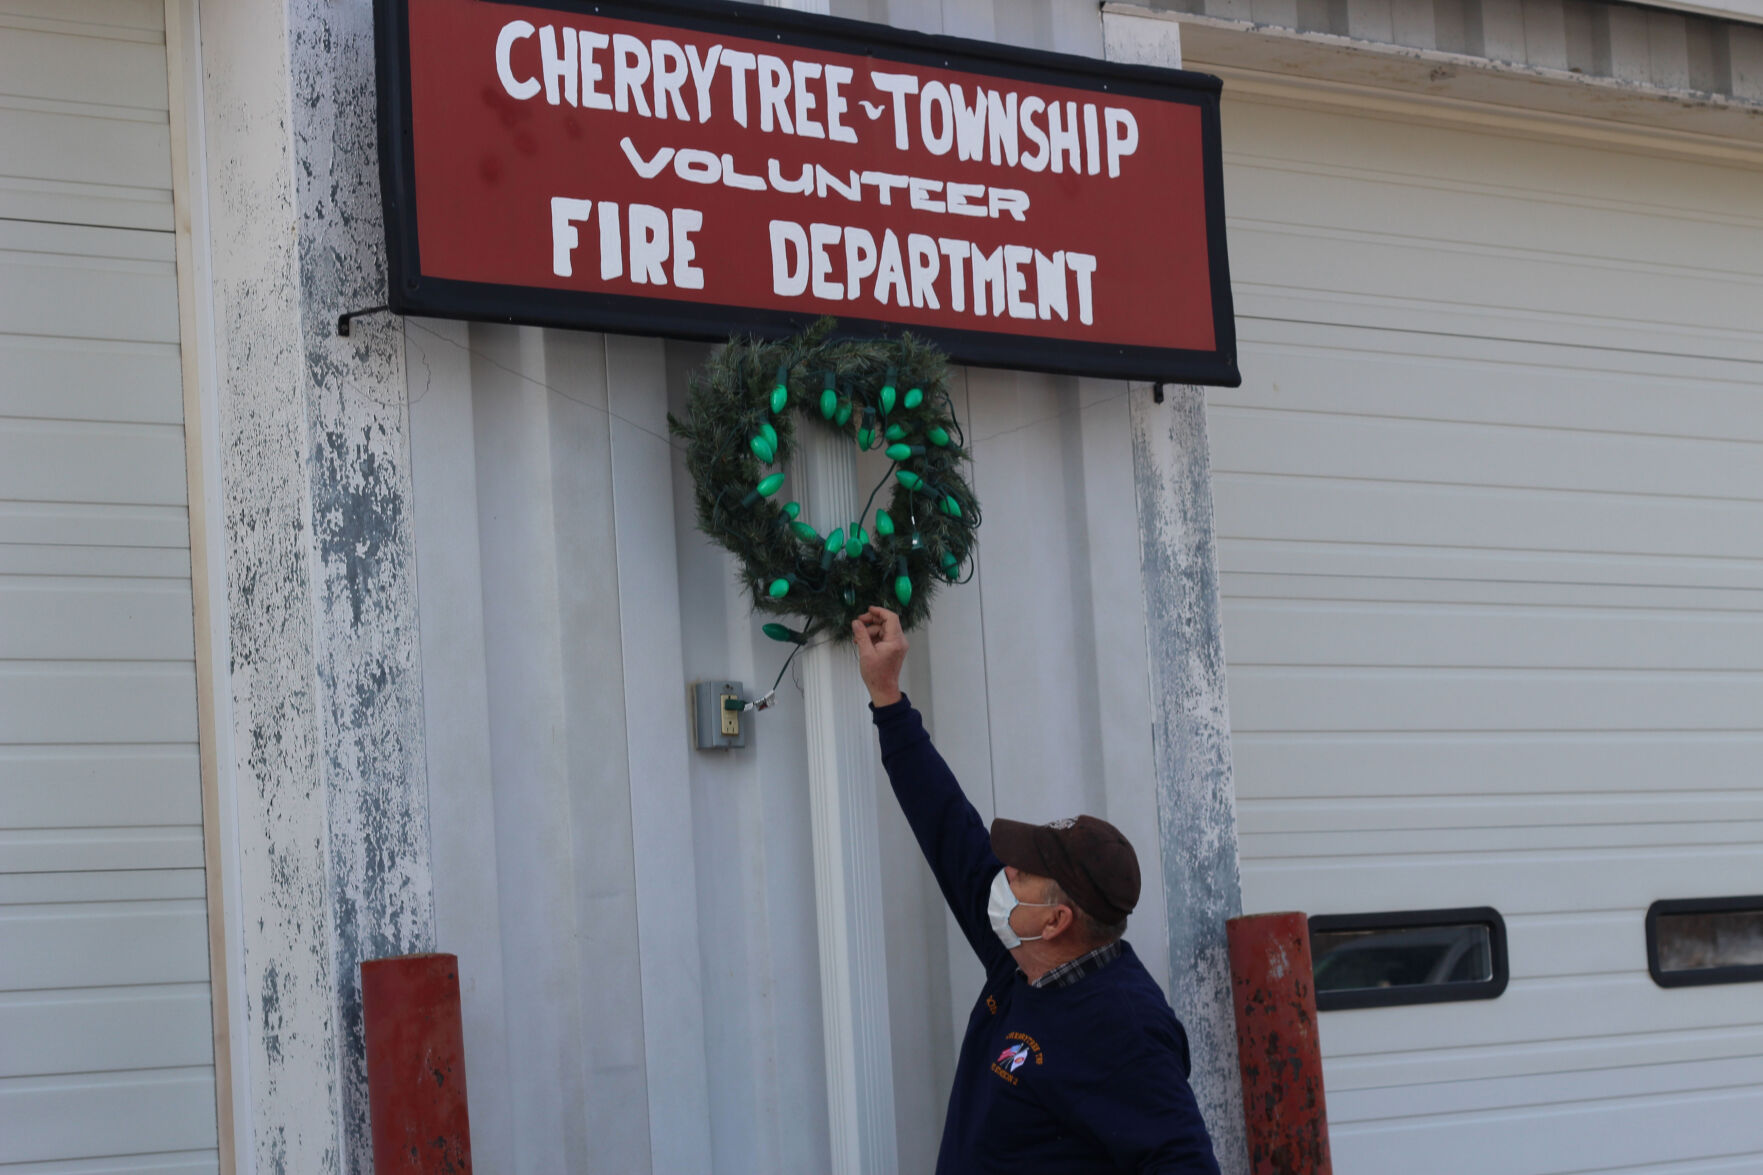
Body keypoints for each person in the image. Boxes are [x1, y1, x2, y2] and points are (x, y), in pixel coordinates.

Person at [852, 606, 1221, 1175]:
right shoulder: (1020, 962)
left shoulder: (1125, 1029)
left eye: (1019, 875)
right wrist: (888, 696)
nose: (999, 875)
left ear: (1056, 921)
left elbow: (1184, 1163)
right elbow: (945, 823)